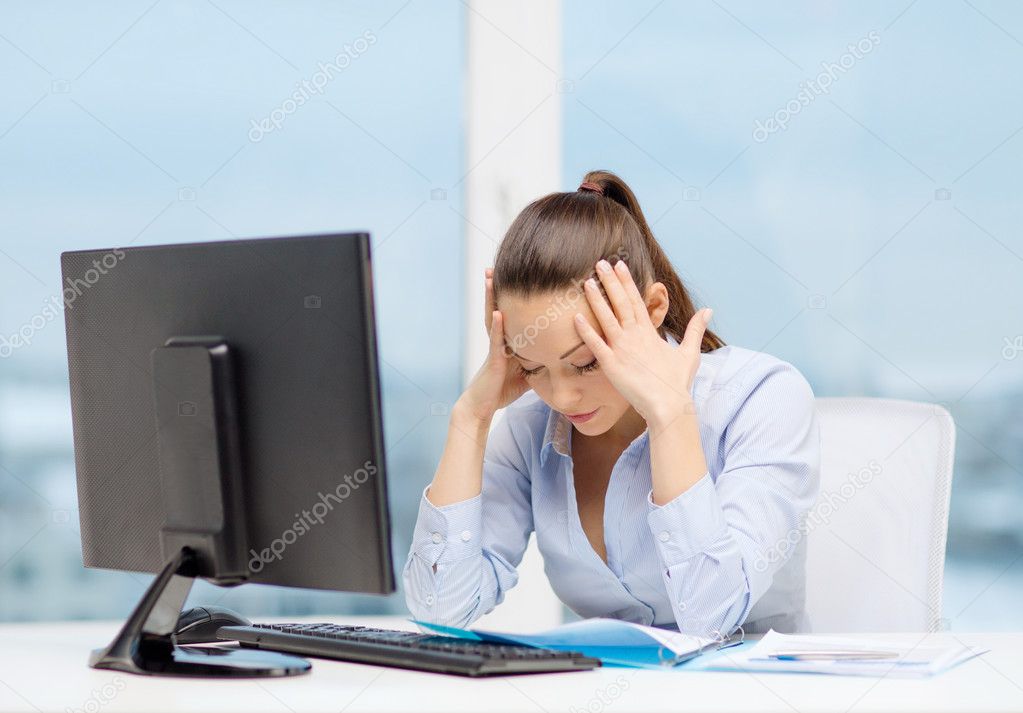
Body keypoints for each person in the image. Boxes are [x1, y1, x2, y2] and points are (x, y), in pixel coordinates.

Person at [403, 170, 821, 637]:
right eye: (533, 367)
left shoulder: (760, 397)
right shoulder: (529, 430)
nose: (561, 398)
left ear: (653, 309)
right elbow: (439, 611)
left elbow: (712, 616)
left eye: (585, 364)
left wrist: (669, 417)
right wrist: (470, 417)